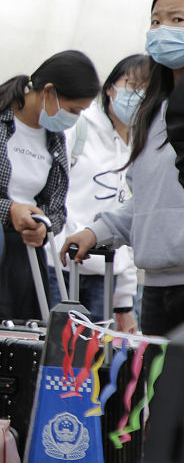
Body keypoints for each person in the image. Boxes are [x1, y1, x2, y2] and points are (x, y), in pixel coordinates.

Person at [64, 0, 184, 336]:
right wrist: (98, 230)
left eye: (177, 19)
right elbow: (145, 200)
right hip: (158, 288)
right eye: (156, 21)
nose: (163, 31)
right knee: (156, 389)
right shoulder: (152, 114)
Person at [0, 50, 101, 333]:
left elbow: (56, 209)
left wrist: (44, 227)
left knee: (23, 339)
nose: (74, 119)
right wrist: (10, 211)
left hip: (27, 259)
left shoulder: (54, 139)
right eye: (73, 109)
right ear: (48, 92)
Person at [47, 54, 150, 331]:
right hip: (63, 267)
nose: (138, 95)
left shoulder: (142, 145)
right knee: (61, 356)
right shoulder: (78, 129)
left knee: (97, 365)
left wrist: (124, 303)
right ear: (109, 88)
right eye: (131, 85)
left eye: (148, 89)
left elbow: (130, 223)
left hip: (107, 275)